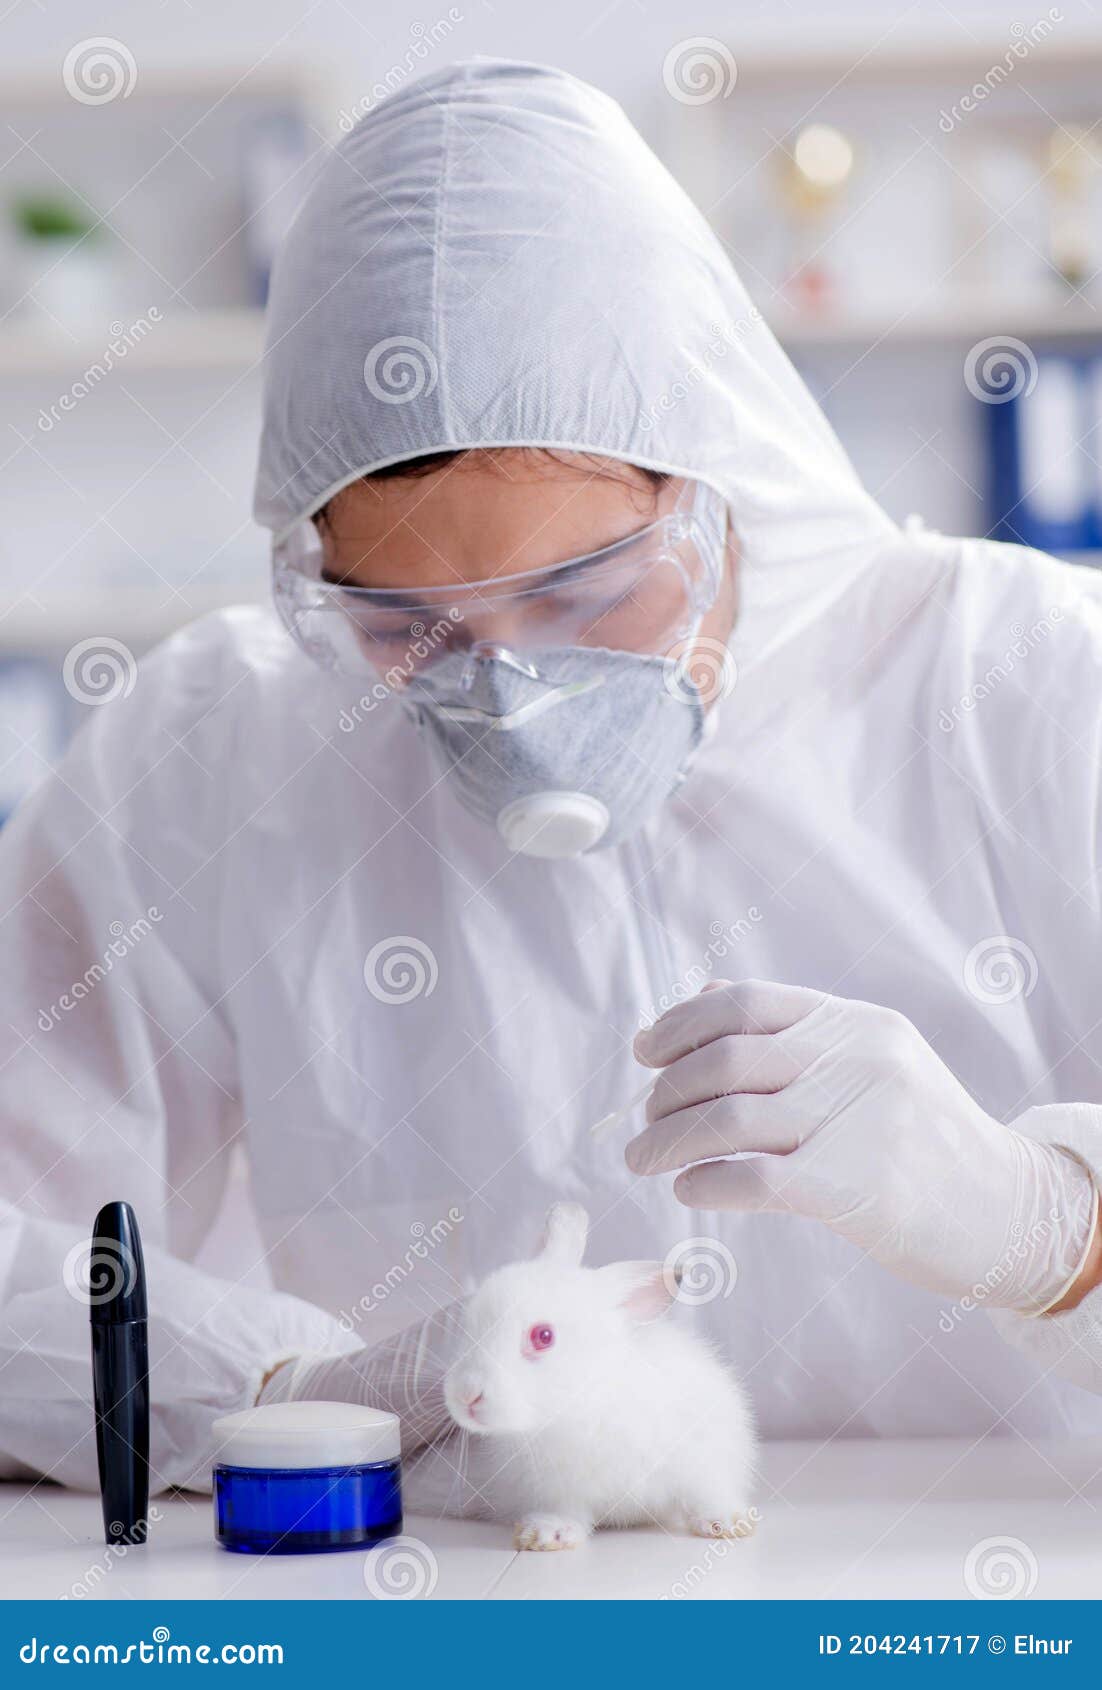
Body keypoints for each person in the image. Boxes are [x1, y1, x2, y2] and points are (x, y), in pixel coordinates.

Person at [3, 57, 1102, 1497]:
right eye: (411, 628)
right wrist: (276, 1391)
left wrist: (1047, 1235)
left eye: (586, 595)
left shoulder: (1024, 677)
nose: (509, 692)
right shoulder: (219, 746)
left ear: (713, 489)